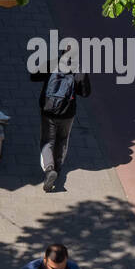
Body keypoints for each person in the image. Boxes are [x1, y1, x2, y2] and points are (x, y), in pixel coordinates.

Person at [30, 51, 91, 192]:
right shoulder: (78, 69)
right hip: (67, 113)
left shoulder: (52, 63)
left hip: (48, 110)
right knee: (62, 140)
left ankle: (49, 169)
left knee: (47, 141)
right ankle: (57, 167)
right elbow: (85, 93)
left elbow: (33, 76)